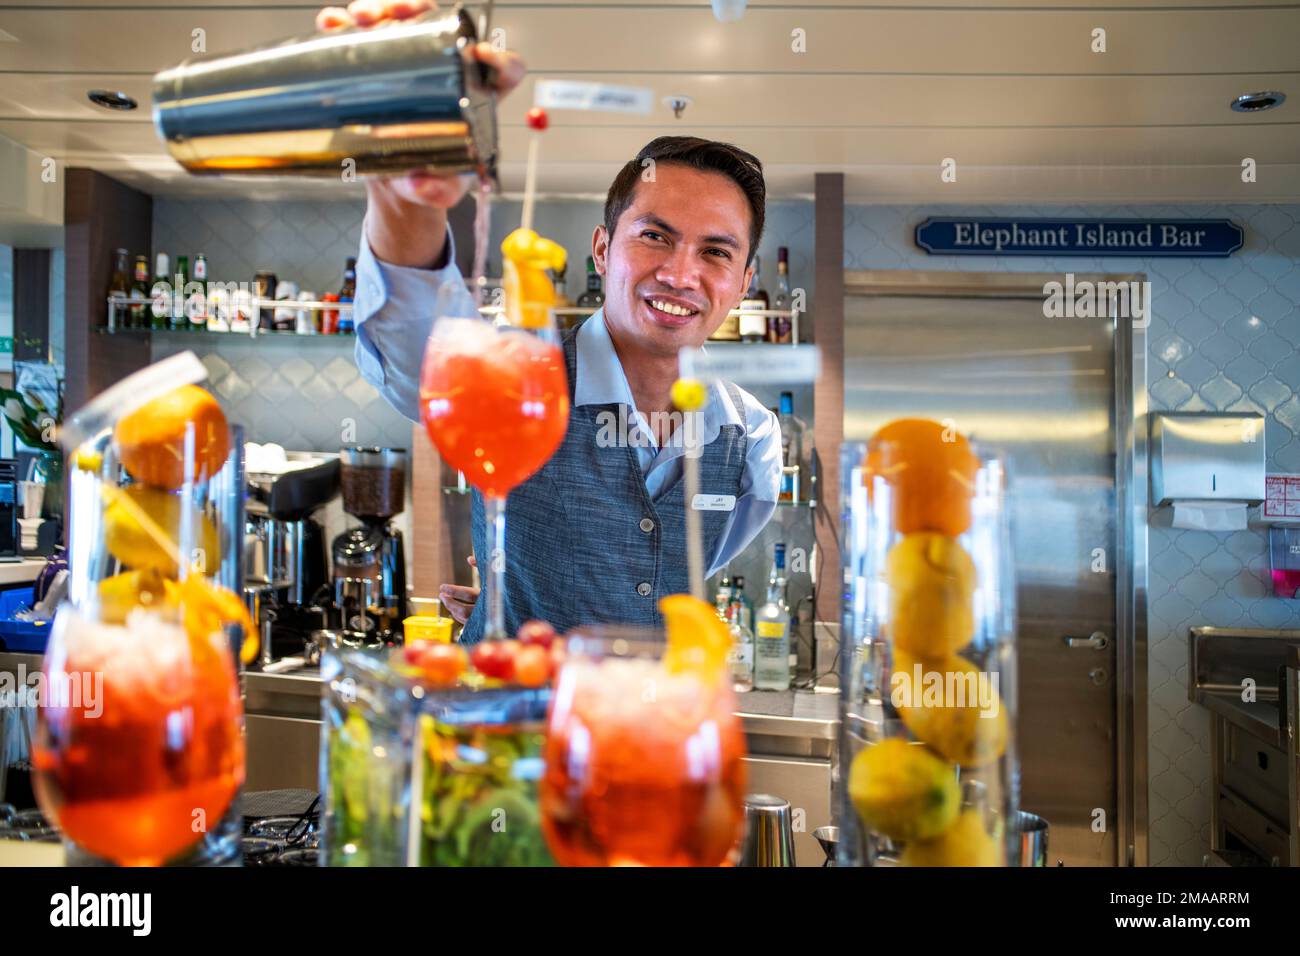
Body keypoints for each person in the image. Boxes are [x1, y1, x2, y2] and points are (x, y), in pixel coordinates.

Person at [323, 0, 781, 642]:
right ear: (602, 249)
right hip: (503, 732)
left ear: (742, 282)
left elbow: (687, 578)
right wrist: (402, 187)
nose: (681, 274)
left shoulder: (752, 438)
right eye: (655, 236)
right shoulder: (514, 380)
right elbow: (413, 350)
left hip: (646, 736)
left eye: (715, 251)